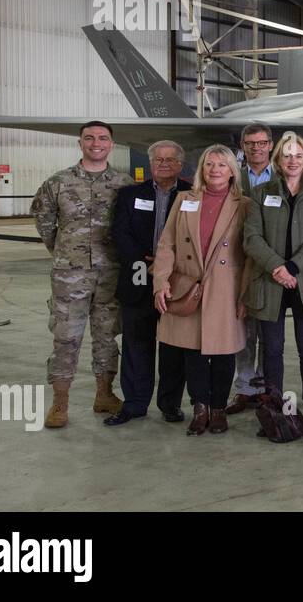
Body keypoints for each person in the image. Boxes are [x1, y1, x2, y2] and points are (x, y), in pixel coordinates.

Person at [31, 121, 133, 428]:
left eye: (102, 138)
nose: (96, 142)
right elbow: (45, 224)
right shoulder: (57, 183)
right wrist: (65, 254)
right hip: (69, 276)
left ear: (111, 144)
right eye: (89, 138)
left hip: (111, 273)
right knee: (66, 337)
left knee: (108, 336)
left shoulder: (123, 184)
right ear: (80, 143)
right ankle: (59, 404)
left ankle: (104, 394)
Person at [153, 145, 250, 436]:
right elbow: (166, 244)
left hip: (226, 289)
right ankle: (200, 408)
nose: (215, 170)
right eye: (209, 164)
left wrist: (245, 294)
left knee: (223, 354)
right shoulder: (184, 199)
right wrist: (161, 282)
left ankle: (218, 409)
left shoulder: (244, 205)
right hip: (187, 288)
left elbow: (250, 256)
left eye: (222, 164)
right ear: (202, 169)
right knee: (192, 354)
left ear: (232, 170)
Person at [243, 132, 303, 436]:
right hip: (271, 280)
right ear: (277, 160)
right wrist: (277, 267)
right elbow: (251, 237)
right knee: (272, 349)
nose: (293, 161)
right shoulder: (260, 193)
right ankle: (275, 409)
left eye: (298, 155)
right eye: (287, 155)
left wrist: (294, 266)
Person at [105, 140, 191, 426]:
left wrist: (167, 266)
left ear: (180, 164)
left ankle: (170, 404)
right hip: (138, 277)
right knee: (136, 343)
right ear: (150, 163)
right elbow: (121, 233)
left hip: (175, 282)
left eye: (170, 160)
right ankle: (135, 403)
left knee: (172, 346)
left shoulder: (192, 196)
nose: (163, 164)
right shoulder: (130, 194)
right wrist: (148, 263)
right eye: (158, 159)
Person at [227, 123, 273, 415]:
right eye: (250, 143)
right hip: (237, 260)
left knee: (270, 333)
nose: (256, 148)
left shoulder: (284, 176)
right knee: (243, 331)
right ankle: (245, 388)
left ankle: (268, 387)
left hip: (269, 263)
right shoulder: (233, 177)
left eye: (261, 143)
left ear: (270, 145)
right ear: (243, 147)